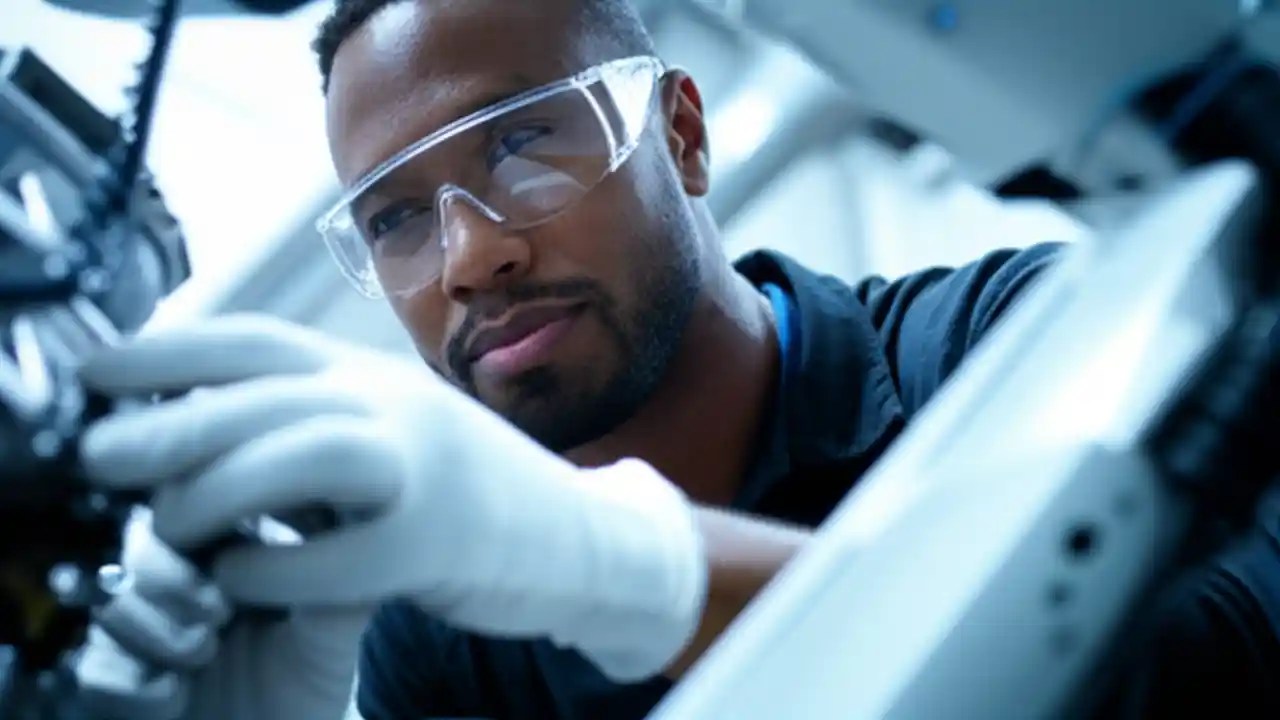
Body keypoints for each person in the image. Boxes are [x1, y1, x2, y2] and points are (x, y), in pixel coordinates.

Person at [68, 0, 1279, 719]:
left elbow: (1217, 669)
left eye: (520, 146)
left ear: (681, 134)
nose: (469, 258)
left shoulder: (1011, 343)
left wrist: (628, 571)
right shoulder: (442, 634)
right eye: (393, 218)